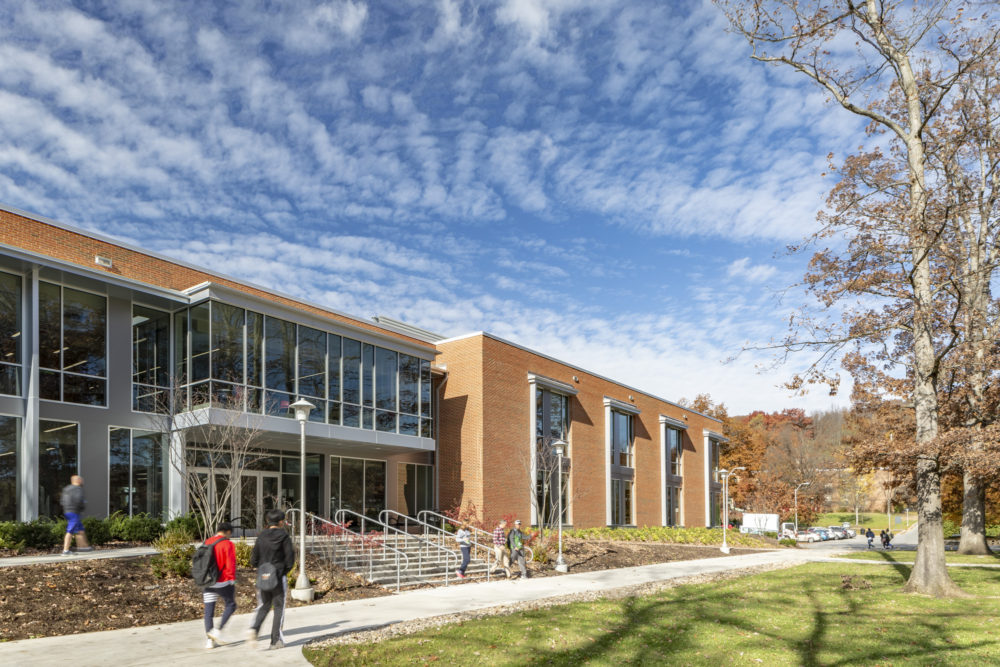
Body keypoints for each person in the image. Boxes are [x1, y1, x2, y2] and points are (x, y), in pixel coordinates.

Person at [248, 509, 296, 651]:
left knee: (265, 605)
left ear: (268, 521)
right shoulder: (284, 536)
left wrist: (263, 568)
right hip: (278, 576)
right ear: (281, 522)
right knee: (279, 607)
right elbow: (289, 560)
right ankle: (275, 641)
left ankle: (254, 629)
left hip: (263, 576)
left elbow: (253, 559)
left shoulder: (261, 536)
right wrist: (282, 572)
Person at [203, 522, 237, 649]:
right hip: (222, 581)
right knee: (231, 605)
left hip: (207, 581)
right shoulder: (228, 544)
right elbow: (230, 565)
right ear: (228, 532)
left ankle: (209, 641)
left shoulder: (207, 542)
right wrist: (232, 580)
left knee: (209, 612)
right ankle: (217, 630)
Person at [60, 475, 92, 556]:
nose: (82, 481)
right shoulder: (78, 489)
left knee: (80, 529)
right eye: (81, 479)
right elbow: (79, 500)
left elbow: (62, 501)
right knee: (70, 531)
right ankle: (65, 551)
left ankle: (83, 547)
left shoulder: (66, 489)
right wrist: (81, 507)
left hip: (67, 511)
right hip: (74, 512)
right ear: (78, 480)